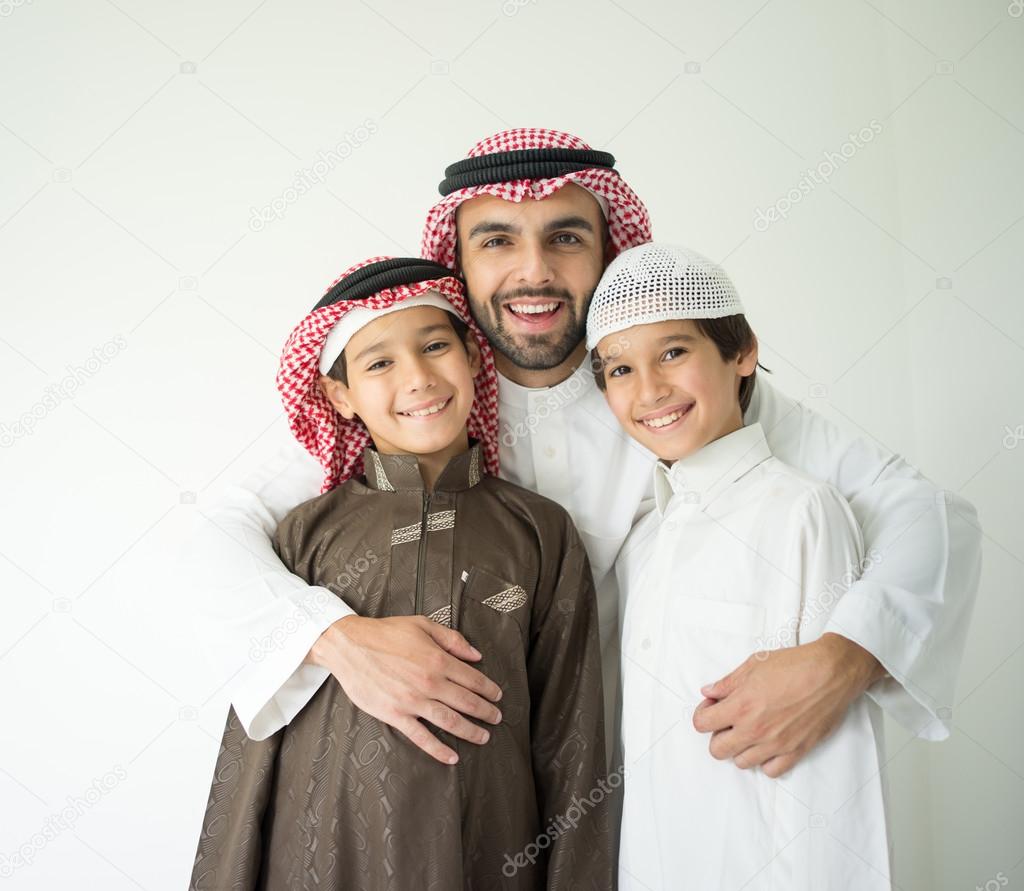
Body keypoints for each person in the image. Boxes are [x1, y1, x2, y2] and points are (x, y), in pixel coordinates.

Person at [184, 128, 981, 782]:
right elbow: (217, 529)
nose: (533, 271)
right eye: (497, 241)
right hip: (452, 787)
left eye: (565, 238)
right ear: (459, 263)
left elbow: (923, 512)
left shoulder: (675, 392)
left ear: (607, 251)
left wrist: (846, 657)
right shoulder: (427, 400)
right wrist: (337, 640)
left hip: (660, 779)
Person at [189, 257, 610, 890]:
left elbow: (571, 741)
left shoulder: (540, 531)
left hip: (493, 851)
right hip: (321, 854)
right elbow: (255, 743)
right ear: (340, 395)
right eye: (379, 362)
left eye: (435, 346)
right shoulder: (305, 533)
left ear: (472, 357)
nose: (417, 378)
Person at [590, 242, 891, 889]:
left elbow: (836, 787)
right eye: (619, 370)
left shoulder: (803, 512)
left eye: (673, 352)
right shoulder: (643, 539)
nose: (650, 390)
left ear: (742, 351)